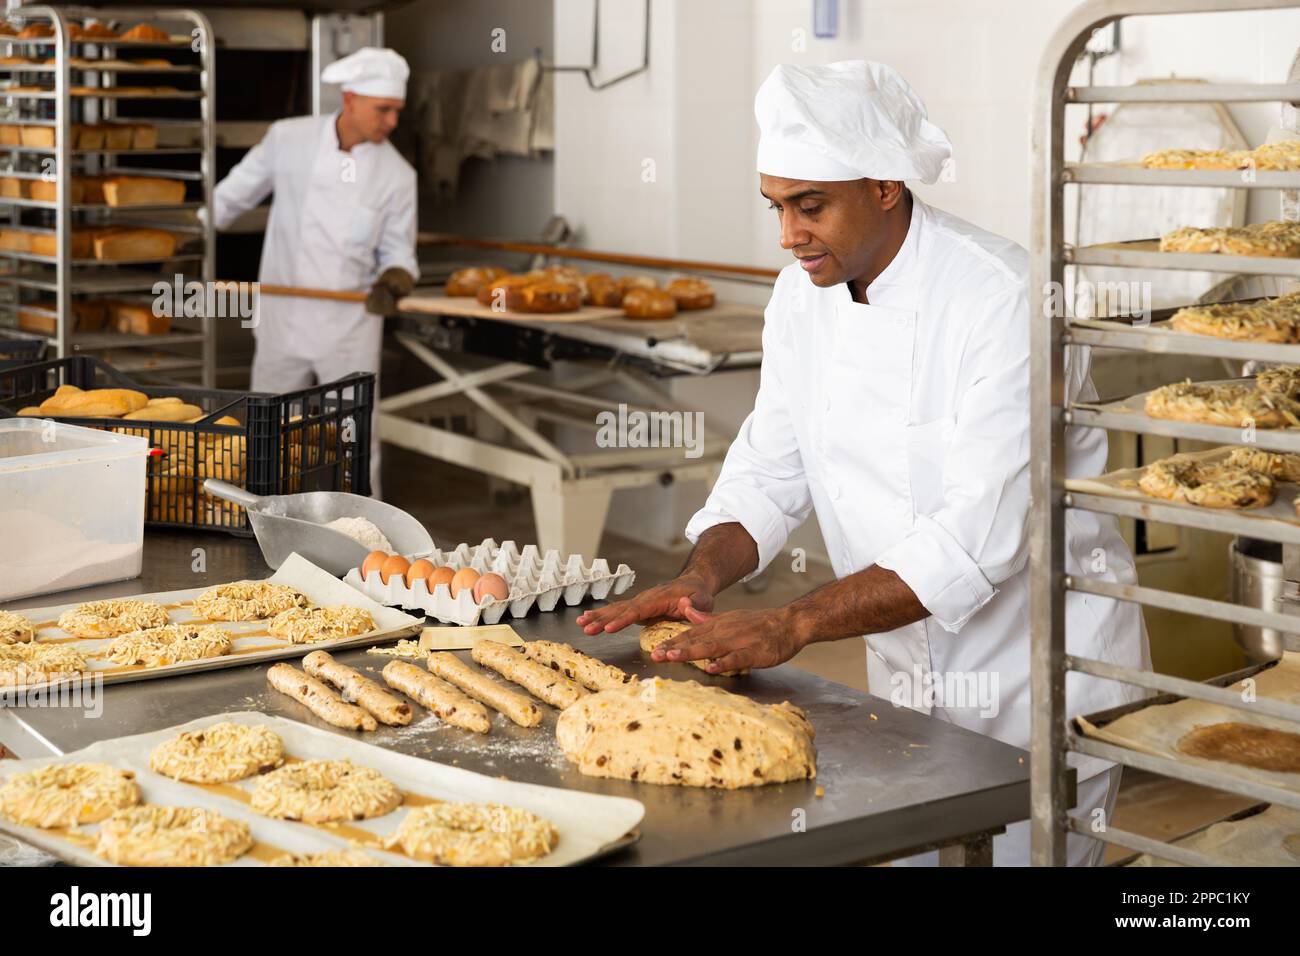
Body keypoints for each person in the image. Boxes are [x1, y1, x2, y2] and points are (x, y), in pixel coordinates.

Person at [576, 60, 1150, 866]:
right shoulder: (799, 297)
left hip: (1037, 686)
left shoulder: (1002, 299)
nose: (787, 234)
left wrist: (794, 621)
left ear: (886, 184)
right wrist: (701, 578)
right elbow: (770, 471)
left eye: (810, 206)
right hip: (905, 695)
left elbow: (973, 541)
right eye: (776, 207)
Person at [211, 46, 419, 498]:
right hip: (284, 318)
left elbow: (399, 251)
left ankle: (363, 535)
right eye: (383, 110)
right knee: (267, 430)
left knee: (354, 438)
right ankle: (259, 519)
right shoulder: (289, 140)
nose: (392, 123)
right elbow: (229, 199)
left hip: (348, 328)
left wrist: (397, 277)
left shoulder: (398, 175)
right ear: (349, 100)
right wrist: (192, 234)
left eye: (396, 111)